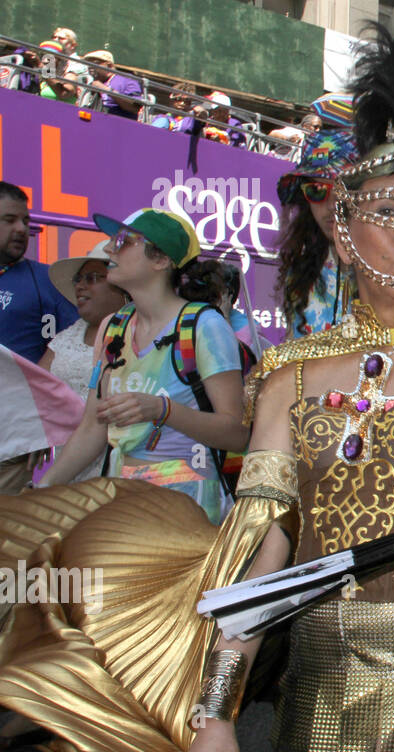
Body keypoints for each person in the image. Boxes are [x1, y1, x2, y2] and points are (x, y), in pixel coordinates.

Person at [0, 26, 394, 752]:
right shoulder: (292, 374)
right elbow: (264, 541)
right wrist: (216, 709)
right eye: (387, 215)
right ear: (344, 235)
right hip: (317, 673)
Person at [38, 208, 248, 525]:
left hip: (187, 510)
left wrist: (163, 409)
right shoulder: (115, 327)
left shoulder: (203, 326)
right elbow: (93, 427)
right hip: (120, 501)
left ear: (161, 260)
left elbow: (237, 435)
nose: (109, 248)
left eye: (123, 240)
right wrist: (42, 491)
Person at [0, 182, 80, 493]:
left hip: (11, 440)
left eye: (26, 221)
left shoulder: (49, 282)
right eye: (9, 220)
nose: (21, 229)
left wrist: (40, 424)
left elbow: (75, 351)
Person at [37, 240, 129, 481]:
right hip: (65, 465)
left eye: (92, 278)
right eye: (78, 280)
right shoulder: (66, 338)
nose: (80, 286)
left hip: (115, 469)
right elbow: (34, 390)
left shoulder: (135, 333)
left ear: (119, 284)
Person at [275, 129, 359, 338]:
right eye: (317, 189)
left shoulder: (391, 271)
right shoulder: (301, 273)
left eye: (343, 192)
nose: (332, 205)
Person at [79, 50, 144, 120]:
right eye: (89, 64)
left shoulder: (126, 79)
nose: (91, 67)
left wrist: (105, 89)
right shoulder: (90, 82)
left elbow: (135, 108)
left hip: (118, 124)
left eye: (95, 64)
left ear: (109, 65)